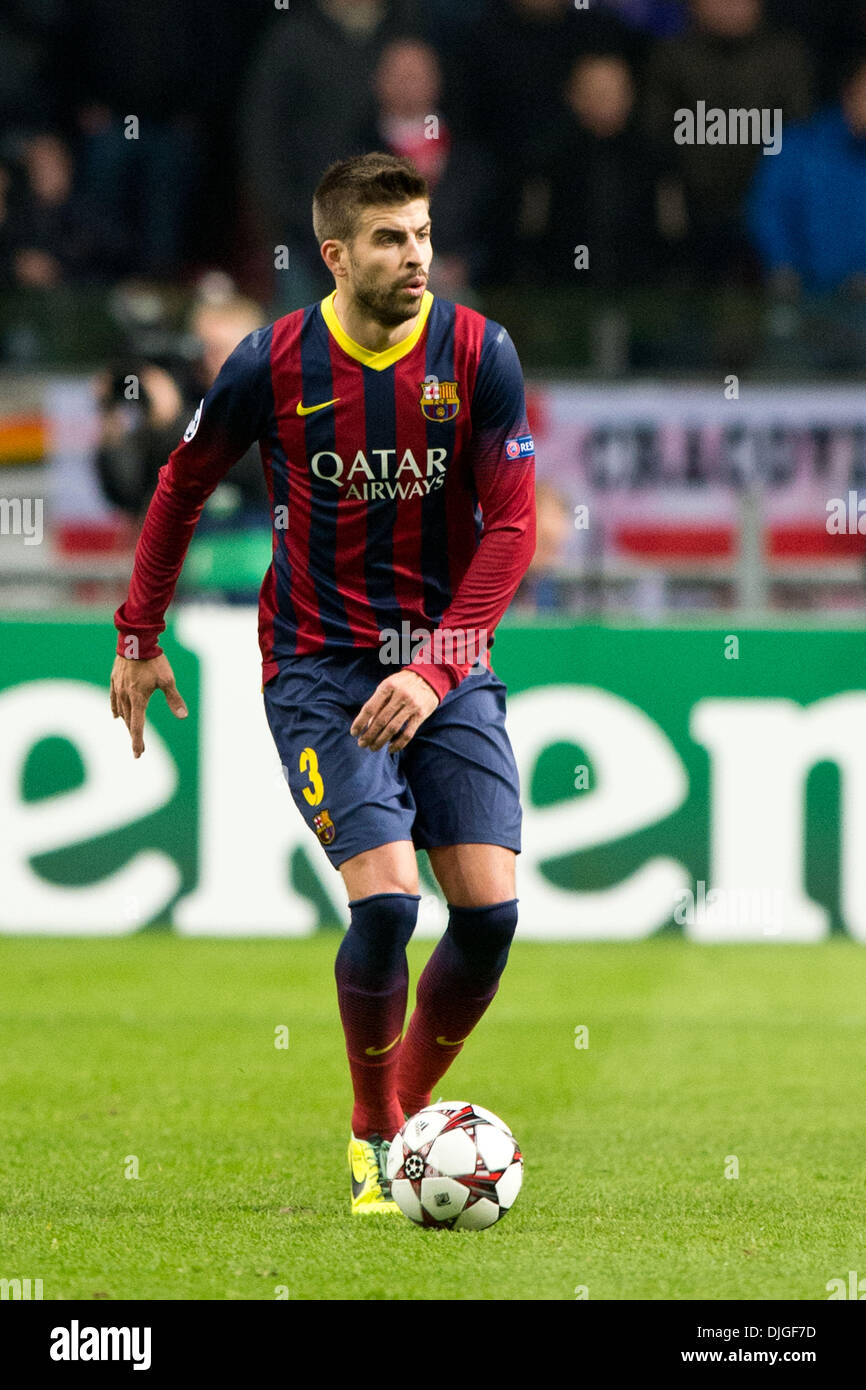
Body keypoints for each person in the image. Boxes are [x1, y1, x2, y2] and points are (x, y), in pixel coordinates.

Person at [109, 152, 537, 1216]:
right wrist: (137, 631)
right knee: (389, 901)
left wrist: (439, 662)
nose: (416, 257)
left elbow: (515, 527)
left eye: (423, 234)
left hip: (444, 658)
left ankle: (397, 1113)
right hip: (317, 662)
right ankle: (378, 1135)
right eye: (391, 239)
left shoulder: (479, 353)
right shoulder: (273, 363)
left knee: (486, 917)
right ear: (335, 254)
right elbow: (181, 483)